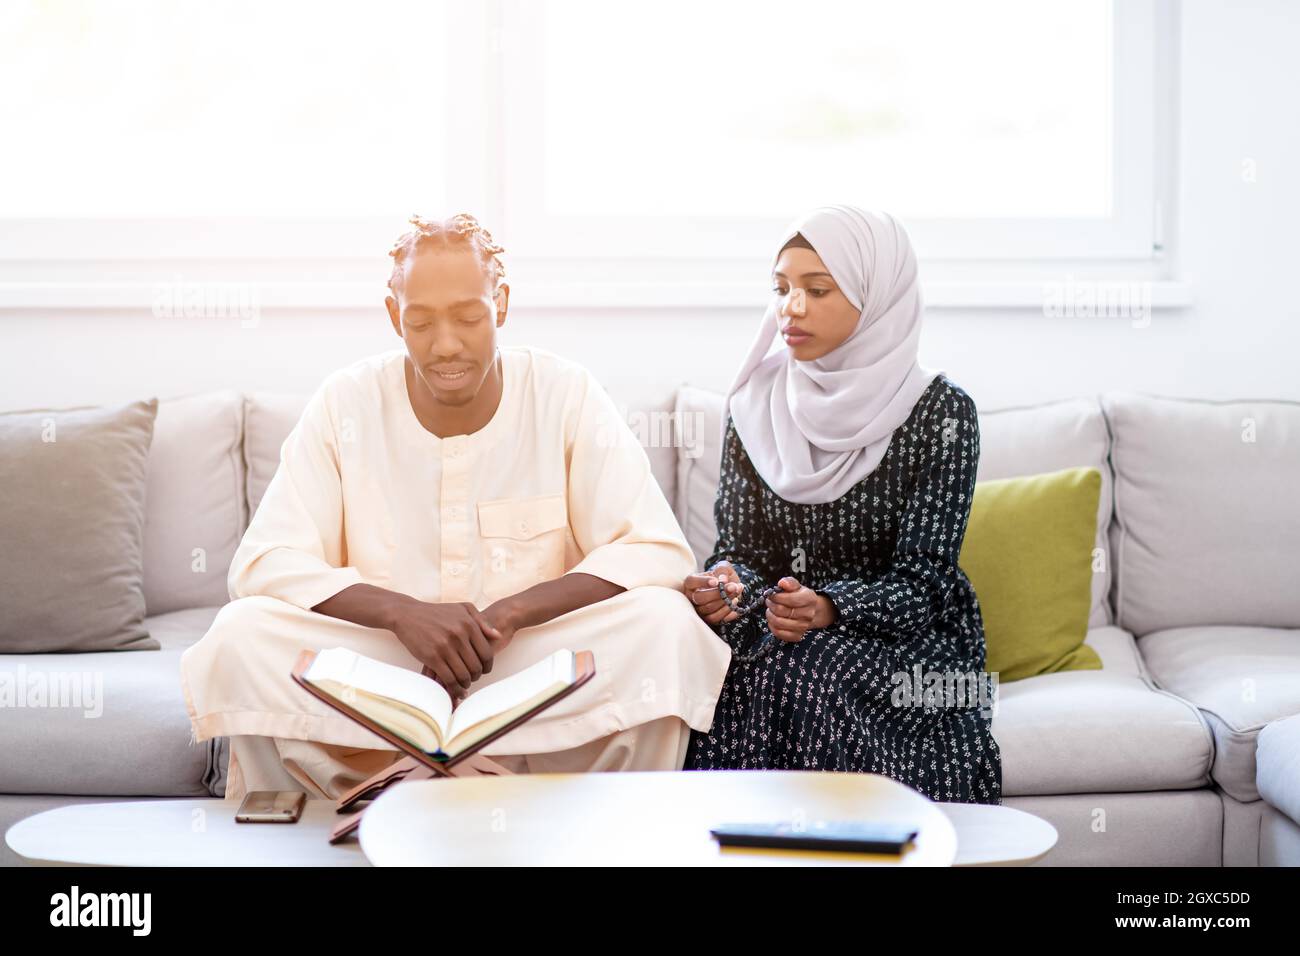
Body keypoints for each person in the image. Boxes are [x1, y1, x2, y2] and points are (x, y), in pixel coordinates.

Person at [181, 213, 731, 804]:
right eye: (421, 322)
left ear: (502, 303)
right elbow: (264, 563)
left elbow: (652, 550)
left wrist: (514, 613)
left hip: (526, 665)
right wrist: (402, 615)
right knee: (242, 633)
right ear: (395, 317)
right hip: (386, 668)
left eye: (469, 317)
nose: (446, 344)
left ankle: (593, 817)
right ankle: (327, 815)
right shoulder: (347, 401)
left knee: (663, 622)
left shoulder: (564, 393)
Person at [681, 205, 1001, 804]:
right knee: (733, 665)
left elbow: (926, 583)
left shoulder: (941, 413)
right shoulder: (755, 405)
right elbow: (741, 551)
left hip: (904, 640)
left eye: (816, 289)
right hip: (781, 630)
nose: (790, 308)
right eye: (781, 289)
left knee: (804, 671)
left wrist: (830, 606)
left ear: (876, 297)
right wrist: (727, 585)